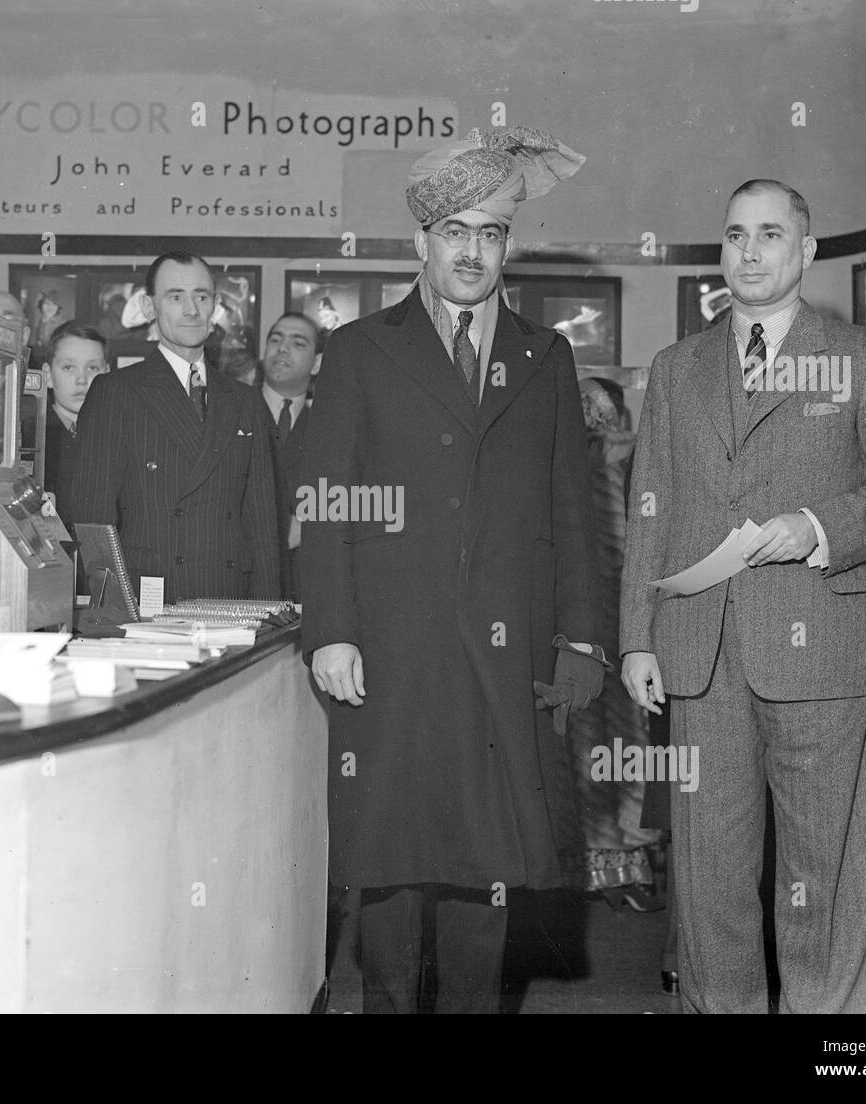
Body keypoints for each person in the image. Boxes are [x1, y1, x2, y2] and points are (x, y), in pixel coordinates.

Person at [619, 179, 866, 1014]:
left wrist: (821, 524)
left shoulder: (864, 358)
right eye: (735, 235)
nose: (750, 251)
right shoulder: (676, 367)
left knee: (823, 884)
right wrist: (636, 639)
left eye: (770, 234)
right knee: (709, 887)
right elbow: (648, 507)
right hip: (701, 656)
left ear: (806, 251)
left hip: (823, 657)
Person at [301, 125, 605, 1013]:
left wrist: (581, 640)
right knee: (391, 869)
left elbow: (570, 512)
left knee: (486, 869)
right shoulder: (360, 351)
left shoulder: (544, 358)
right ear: (422, 241)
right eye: (456, 232)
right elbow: (325, 501)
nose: (474, 252)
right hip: (391, 651)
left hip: (501, 659)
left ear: (507, 244)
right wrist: (332, 630)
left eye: (491, 234)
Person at [68, 252, 281, 603]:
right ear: (151, 308)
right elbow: (94, 522)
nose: (191, 309)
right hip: (149, 601)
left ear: (214, 304)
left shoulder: (244, 401)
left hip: (230, 603)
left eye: (201, 296)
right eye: (175, 296)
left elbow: (262, 525)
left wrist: (267, 616)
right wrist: (111, 612)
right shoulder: (117, 392)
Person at [569, 378, 664, 910]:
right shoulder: (632, 458)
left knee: (594, 743)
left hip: (593, 627)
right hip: (621, 626)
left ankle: (607, 861)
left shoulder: (566, 458)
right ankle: (624, 861)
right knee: (627, 741)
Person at [260, 312, 318, 602]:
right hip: (237, 585)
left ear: (317, 362)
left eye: (298, 343)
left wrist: (312, 525)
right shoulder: (230, 411)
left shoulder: (330, 425)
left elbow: (363, 498)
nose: (282, 348)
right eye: (275, 340)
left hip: (302, 587)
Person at [42, 320, 107, 527]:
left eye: (92, 368)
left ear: (108, 374)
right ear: (48, 375)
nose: (81, 379)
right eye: (69, 367)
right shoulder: (31, 437)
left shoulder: (121, 437)